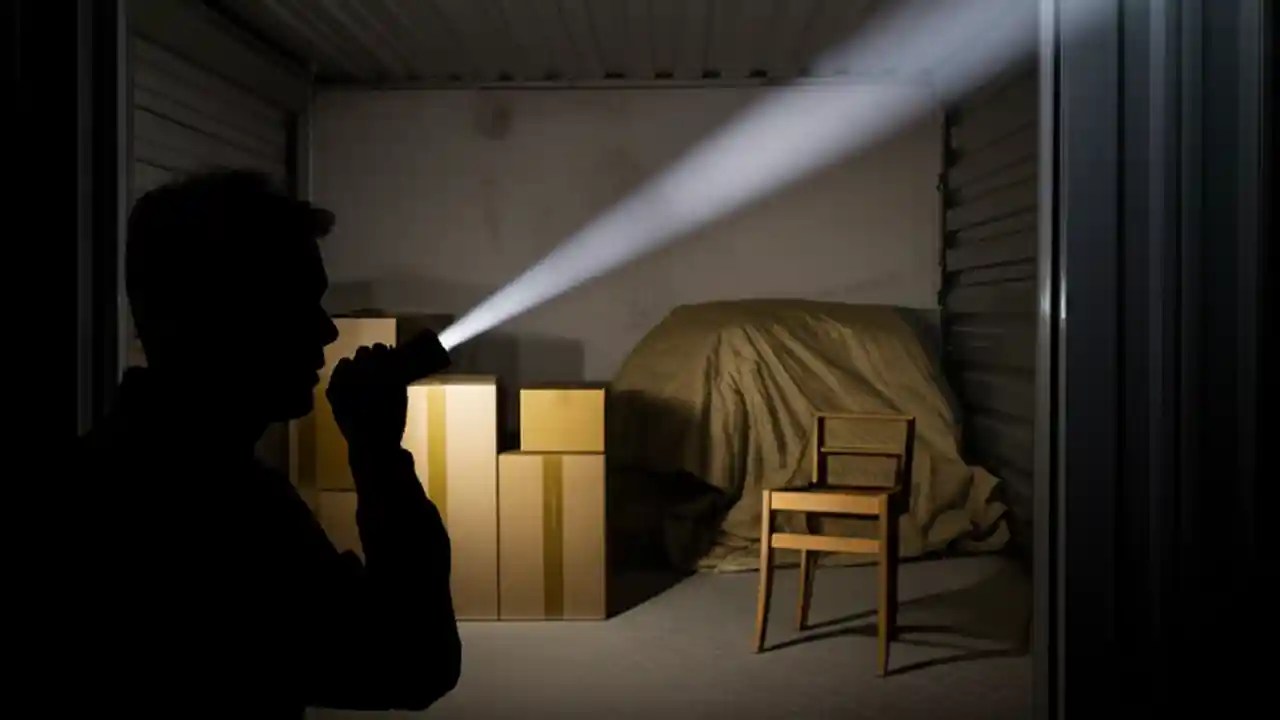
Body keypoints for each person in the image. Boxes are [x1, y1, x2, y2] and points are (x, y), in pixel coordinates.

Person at [69, 168, 461, 716]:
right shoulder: (223, 512)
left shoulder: (114, 470)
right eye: (298, 301)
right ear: (221, 315)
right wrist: (377, 451)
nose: (327, 331)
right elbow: (414, 659)